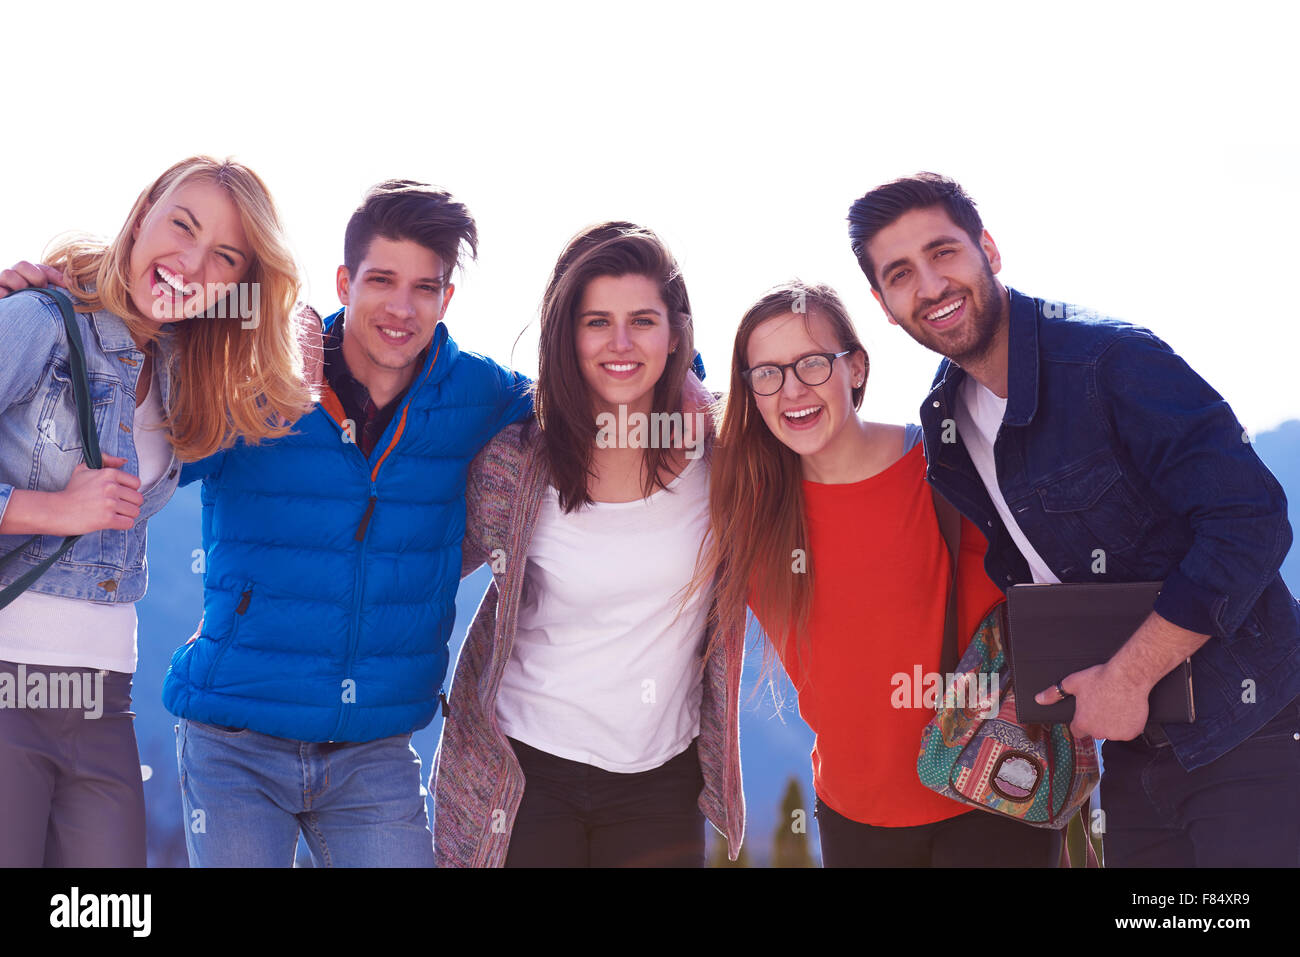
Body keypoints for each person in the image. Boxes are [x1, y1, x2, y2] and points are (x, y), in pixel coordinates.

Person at [846, 171, 1300, 867]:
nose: (931, 286)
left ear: (988, 249)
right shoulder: (945, 419)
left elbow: (1253, 520)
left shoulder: (1111, 361)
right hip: (1130, 755)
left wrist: (1127, 676)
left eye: (944, 253)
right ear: (882, 303)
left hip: (1256, 728)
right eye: (901, 273)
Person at [145, 180, 535, 867]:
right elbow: (152, 375)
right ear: (344, 283)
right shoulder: (264, 374)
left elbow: (595, 383)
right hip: (233, 739)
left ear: (447, 299)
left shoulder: (475, 393)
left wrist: (688, 374)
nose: (401, 307)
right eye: (381, 280)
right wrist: (51, 298)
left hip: (374, 754)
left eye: (425, 287)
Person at [0, 155, 311, 866]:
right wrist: (53, 509)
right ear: (142, 216)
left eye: (225, 257)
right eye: (183, 225)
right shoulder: (38, 322)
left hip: (104, 701)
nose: (191, 263)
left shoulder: (181, 373)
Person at [699, 279, 1059, 866]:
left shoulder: (949, 469)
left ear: (857, 367)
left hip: (992, 798)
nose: (792, 390)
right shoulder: (748, 506)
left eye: (812, 364)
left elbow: (1047, 585)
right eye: (766, 374)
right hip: (854, 819)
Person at [433, 222, 744, 867]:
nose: (621, 343)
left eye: (643, 320)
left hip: (663, 776)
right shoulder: (516, 465)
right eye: (597, 321)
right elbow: (414, 562)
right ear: (565, 334)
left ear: (676, 334)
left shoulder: (724, 459)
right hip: (524, 768)